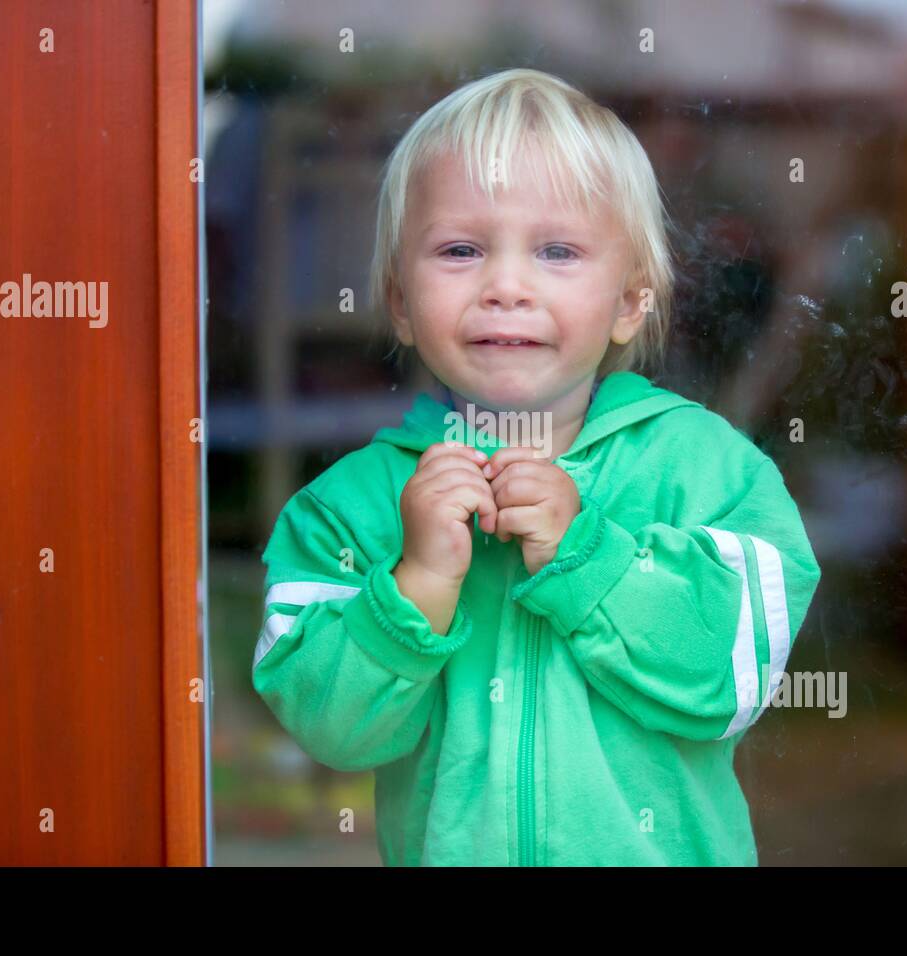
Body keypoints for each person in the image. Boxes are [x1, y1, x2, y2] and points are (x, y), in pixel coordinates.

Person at [251, 67, 821, 865]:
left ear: (629, 301)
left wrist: (590, 557)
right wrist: (414, 585)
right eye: (459, 249)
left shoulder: (707, 473)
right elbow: (331, 729)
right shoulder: (349, 508)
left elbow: (733, 680)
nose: (506, 286)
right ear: (401, 303)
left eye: (556, 250)